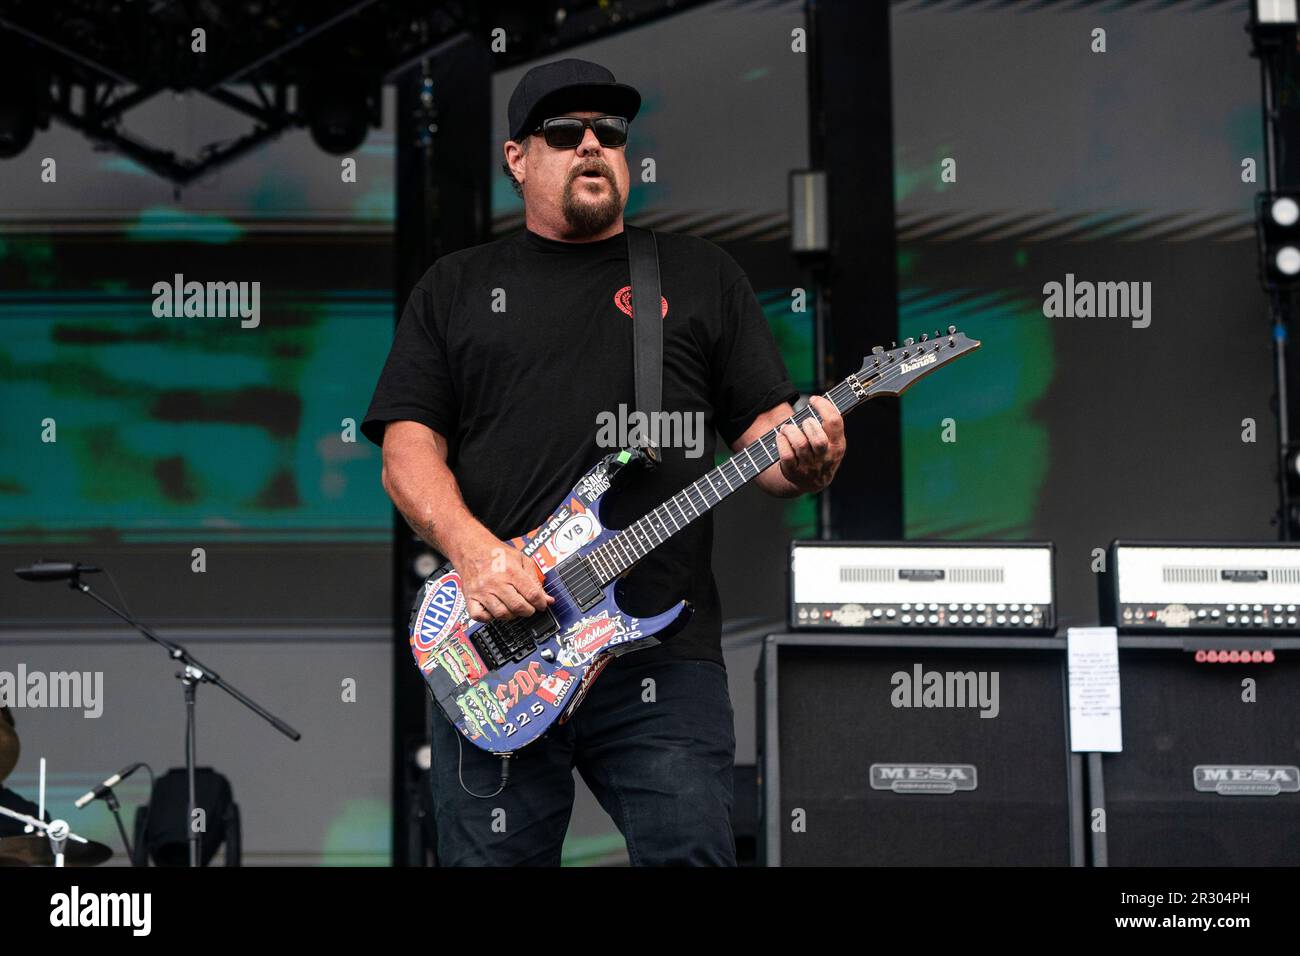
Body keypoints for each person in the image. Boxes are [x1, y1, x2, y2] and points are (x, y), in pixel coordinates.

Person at [362, 58, 845, 866]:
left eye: (609, 133)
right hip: (500, 647)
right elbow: (407, 451)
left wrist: (814, 453)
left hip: (659, 652)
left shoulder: (697, 277)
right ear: (517, 158)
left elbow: (768, 445)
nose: (591, 144)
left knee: (692, 854)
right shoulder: (457, 286)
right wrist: (474, 553)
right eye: (564, 132)